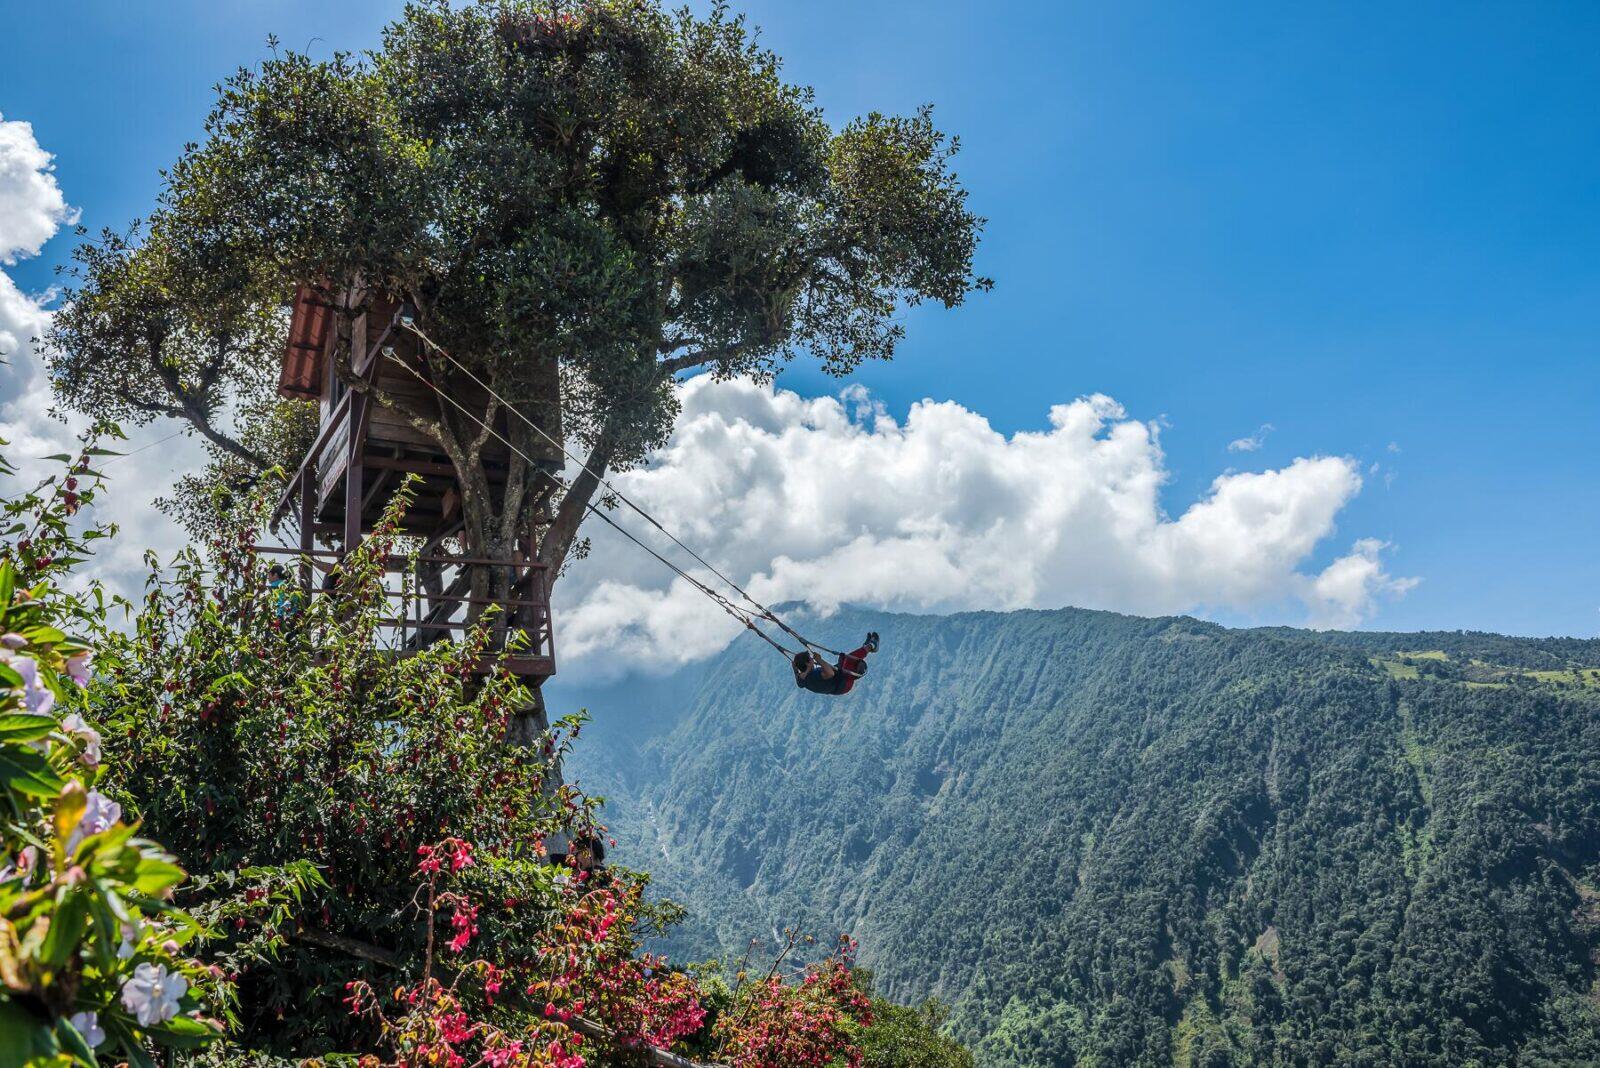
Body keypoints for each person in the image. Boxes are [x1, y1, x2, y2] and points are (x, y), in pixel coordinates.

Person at [793, 632, 879, 696]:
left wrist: (795, 668)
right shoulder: (813, 676)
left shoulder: (802, 678)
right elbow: (830, 674)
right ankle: (872, 646)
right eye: (810, 659)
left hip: (838, 682)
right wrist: (819, 660)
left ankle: (865, 647)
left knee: (845, 659)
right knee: (849, 659)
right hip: (843, 684)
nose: (812, 659)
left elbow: (799, 682)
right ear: (807, 664)